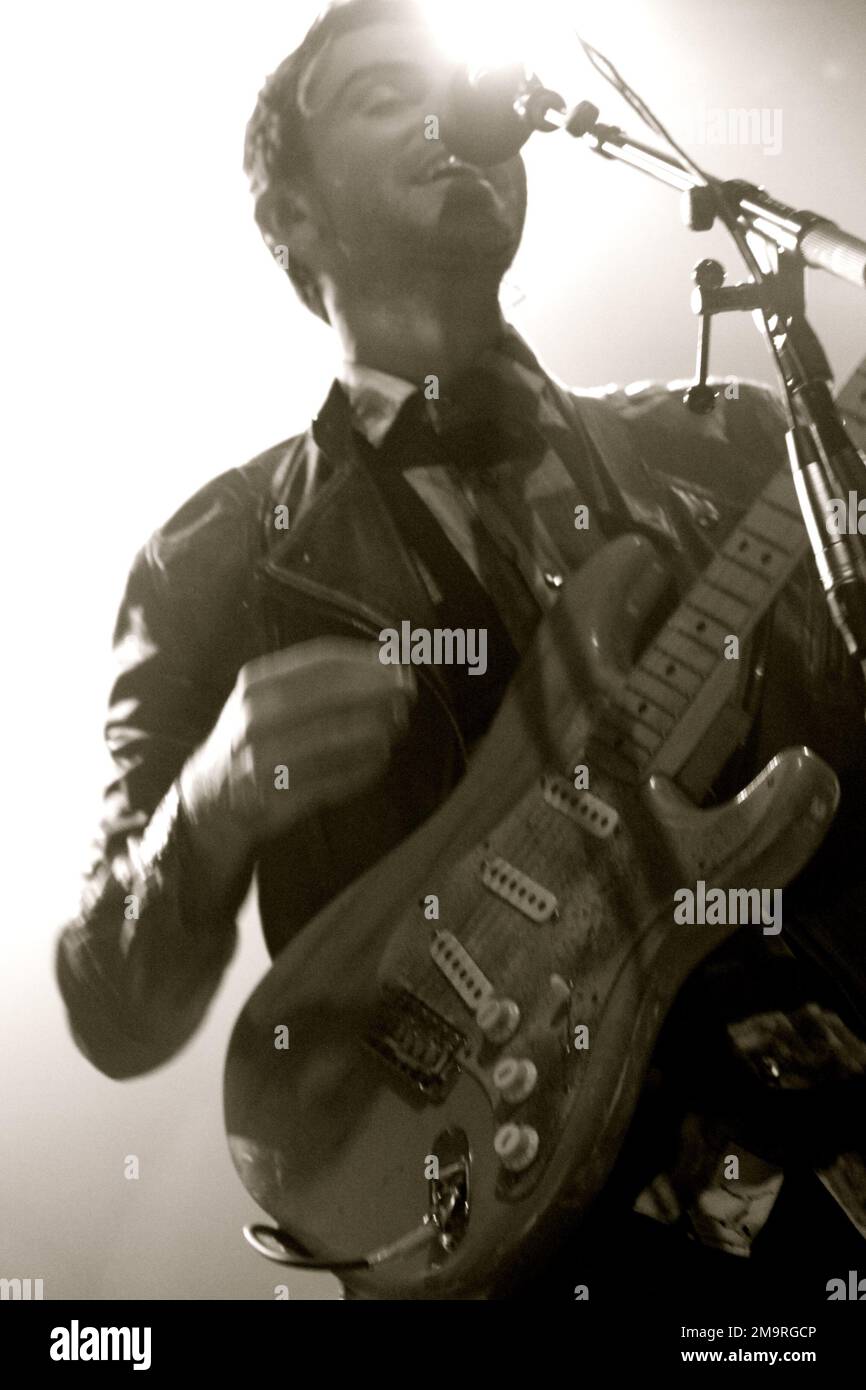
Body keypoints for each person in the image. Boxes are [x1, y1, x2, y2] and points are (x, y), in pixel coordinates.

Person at [56, 0, 866, 1301]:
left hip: (818, 1165)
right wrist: (206, 809)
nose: (447, 116)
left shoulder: (711, 443)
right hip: (499, 1199)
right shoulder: (216, 549)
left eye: (458, 89)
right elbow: (110, 991)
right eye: (380, 99)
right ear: (294, 218)